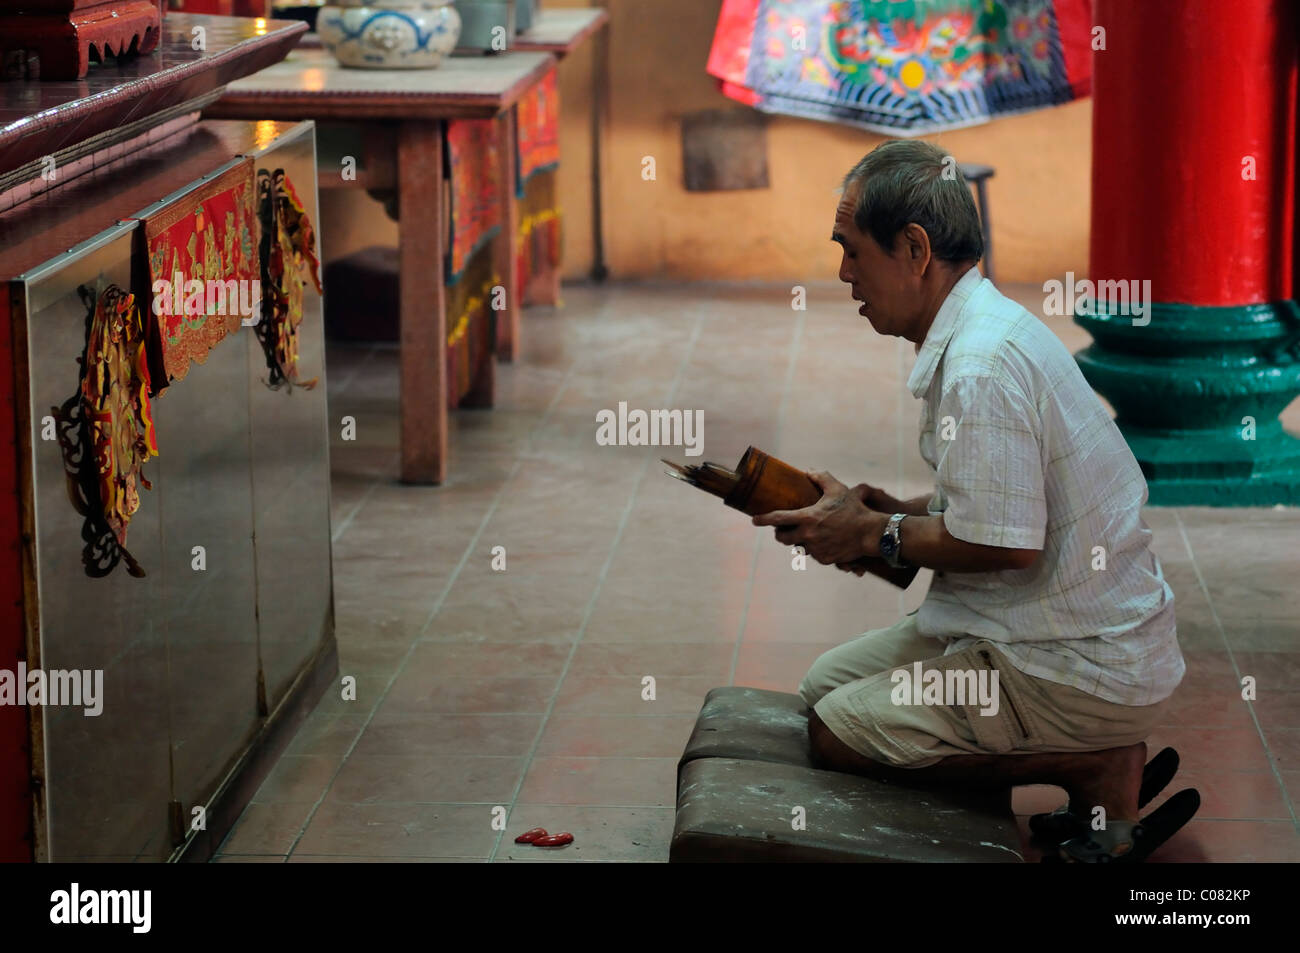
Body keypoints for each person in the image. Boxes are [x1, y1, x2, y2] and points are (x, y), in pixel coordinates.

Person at [753, 139, 1185, 862]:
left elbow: (1010, 543)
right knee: (822, 687)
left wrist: (873, 534)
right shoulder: (980, 330)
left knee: (839, 733)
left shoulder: (982, 365)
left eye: (853, 250)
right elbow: (993, 503)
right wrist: (892, 510)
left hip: (1074, 661)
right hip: (1027, 626)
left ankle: (1092, 765)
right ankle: (1084, 761)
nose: (843, 273)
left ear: (915, 248)